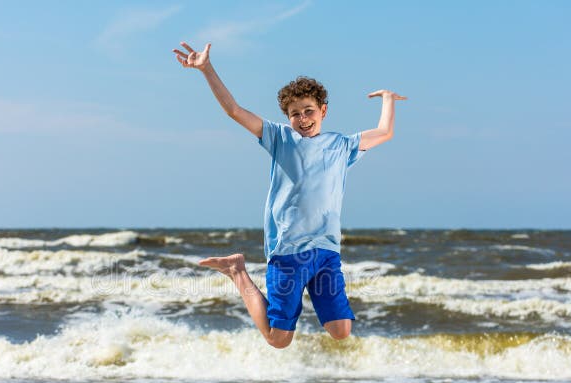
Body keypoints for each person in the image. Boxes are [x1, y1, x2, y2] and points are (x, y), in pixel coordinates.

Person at [173, 41, 406, 349]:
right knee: (278, 339)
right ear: (287, 117)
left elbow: (385, 132)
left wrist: (388, 99)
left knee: (341, 330)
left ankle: (240, 272)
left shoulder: (342, 145)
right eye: (295, 114)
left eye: (309, 111)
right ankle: (236, 270)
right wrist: (206, 68)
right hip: (287, 253)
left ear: (323, 111)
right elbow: (234, 110)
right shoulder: (279, 138)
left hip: (326, 253)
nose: (303, 119)